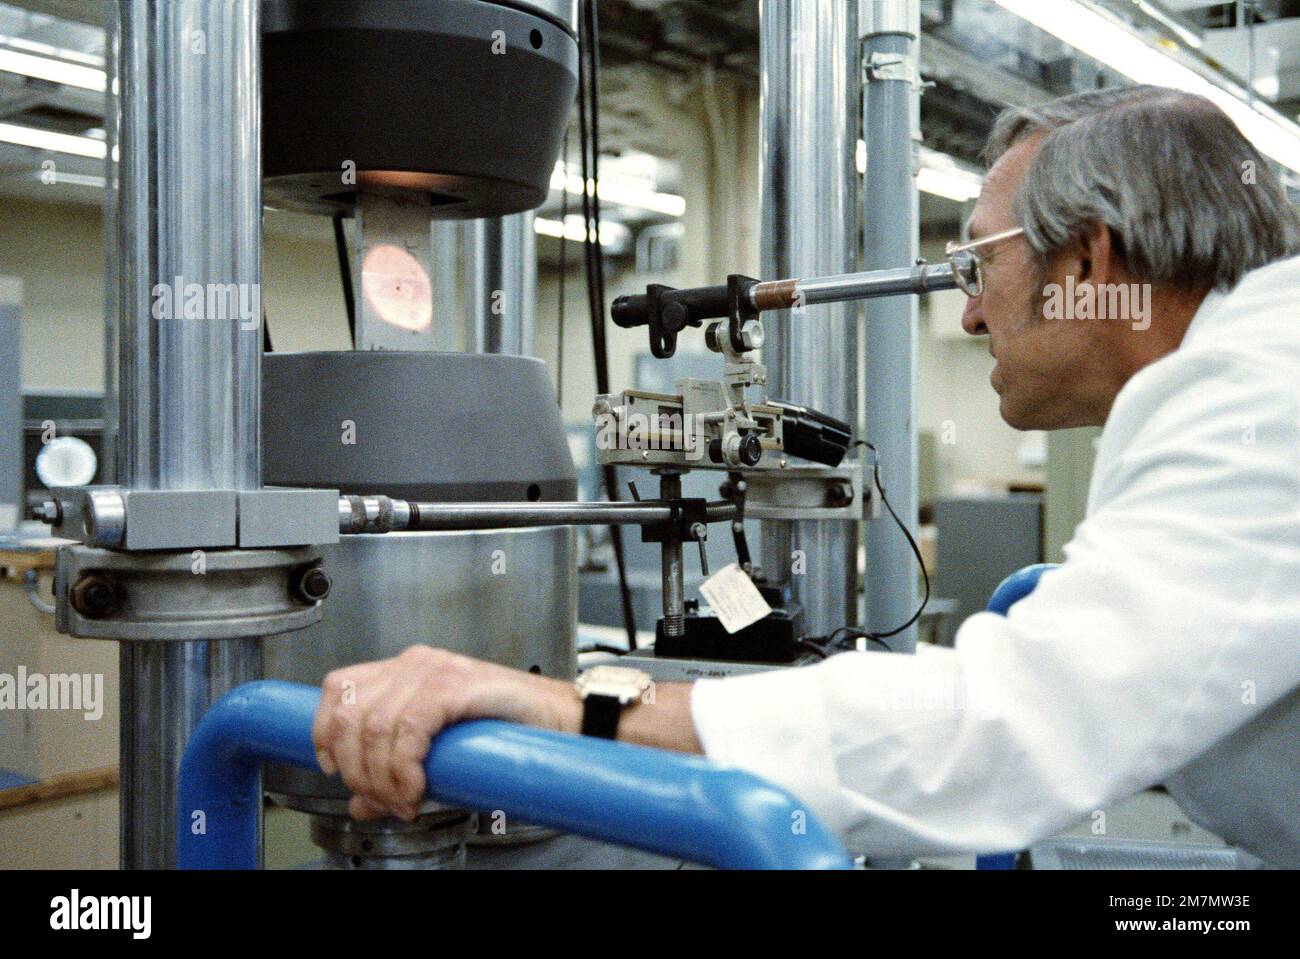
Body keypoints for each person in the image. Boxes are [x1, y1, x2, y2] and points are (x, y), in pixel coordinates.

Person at [311, 86, 1300, 867]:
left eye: (974, 267)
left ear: (1089, 261)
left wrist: (581, 711)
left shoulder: (1257, 400)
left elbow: (1010, 728)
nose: (965, 315)